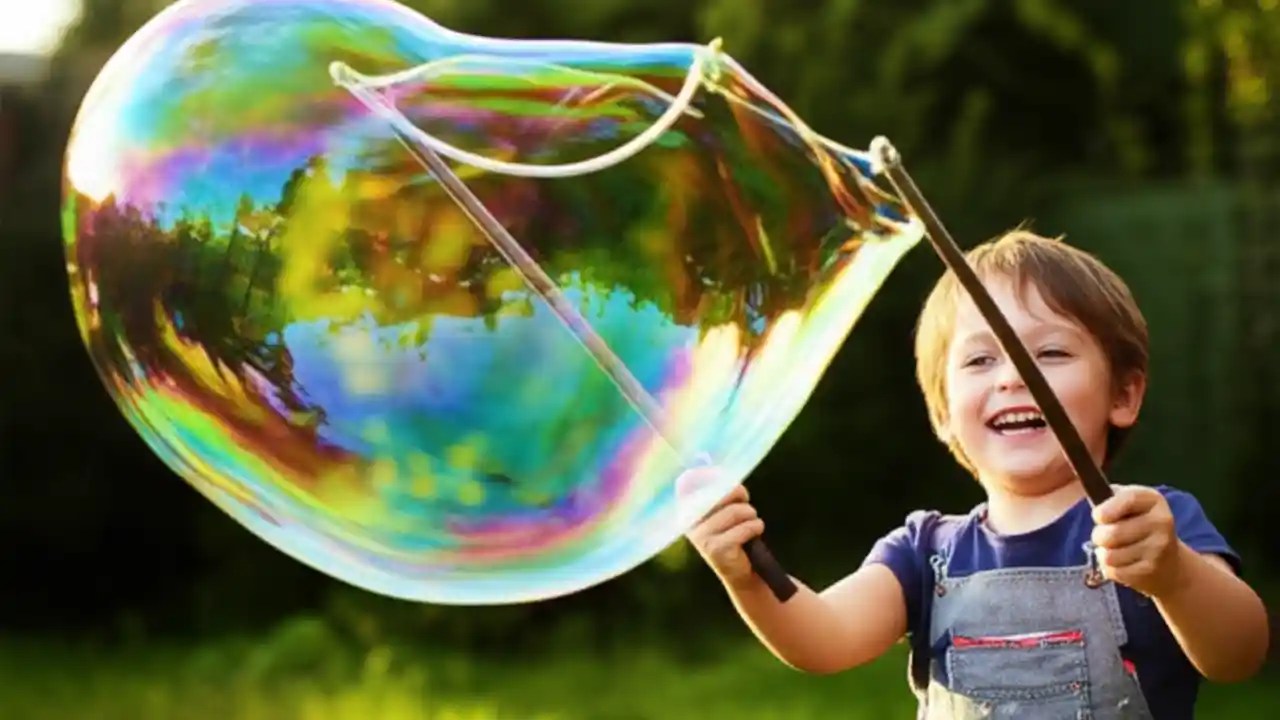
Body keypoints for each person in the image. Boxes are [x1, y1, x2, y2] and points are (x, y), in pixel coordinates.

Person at [680, 229, 1269, 719]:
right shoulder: (922, 552)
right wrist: (747, 575)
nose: (1012, 377)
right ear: (943, 412)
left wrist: (1173, 576)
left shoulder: (1148, 524)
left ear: (1123, 394)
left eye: (1051, 353)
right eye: (981, 359)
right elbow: (823, 638)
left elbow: (1240, 654)